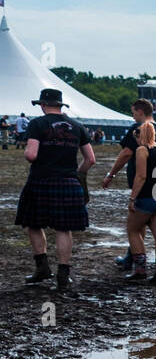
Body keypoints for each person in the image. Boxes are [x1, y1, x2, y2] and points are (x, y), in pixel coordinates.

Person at [14, 89, 95, 293]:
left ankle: (42, 268)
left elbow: (31, 155)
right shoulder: (77, 126)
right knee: (63, 229)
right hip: (68, 182)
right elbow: (90, 159)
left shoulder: (37, 124)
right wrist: (77, 174)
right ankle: (63, 276)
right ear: (60, 105)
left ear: (42, 104)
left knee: (33, 223)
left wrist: (26, 150)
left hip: (41, 181)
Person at [105, 99, 156, 274]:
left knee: (135, 227)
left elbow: (126, 153)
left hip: (145, 189)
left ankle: (137, 264)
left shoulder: (139, 130)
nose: (133, 116)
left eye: (133, 112)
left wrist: (111, 174)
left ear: (140, 111)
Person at [123, 120, 156, 284]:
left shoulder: (142, 149)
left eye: (136, 136)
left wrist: (132, 198)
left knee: (133, 229)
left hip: (148, 196)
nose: (136, 140)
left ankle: (140, 270)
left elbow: (141, 176)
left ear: (140, 135)